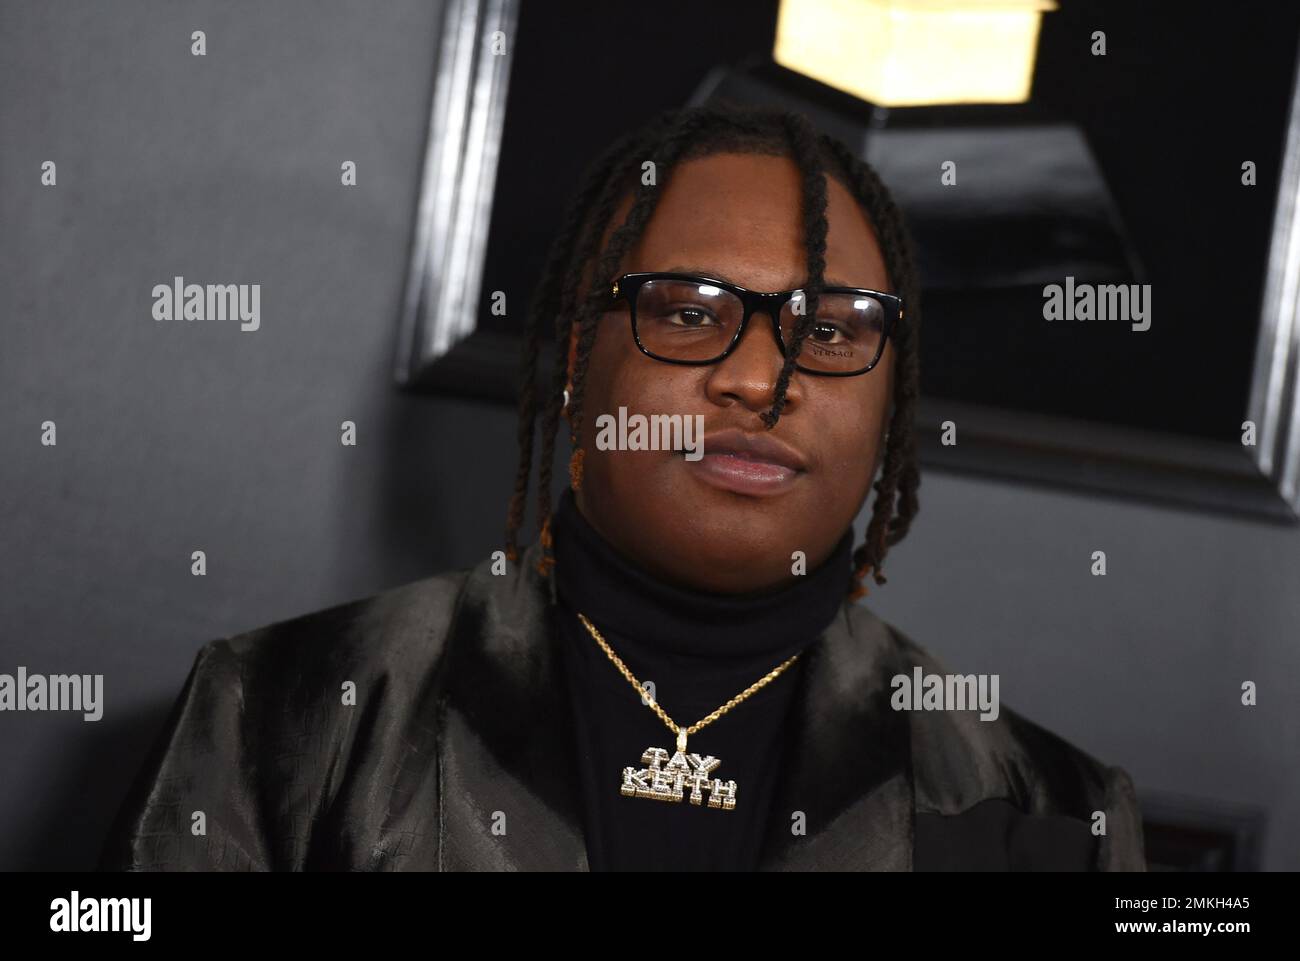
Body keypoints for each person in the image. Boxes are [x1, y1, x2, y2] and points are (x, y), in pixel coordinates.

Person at [99, 102, 1145, 872]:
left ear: (889, 404)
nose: (759, 377)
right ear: (573, 361)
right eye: (688, 312)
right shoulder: (278, 710)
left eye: (827, 331)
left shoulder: (1055, 810)